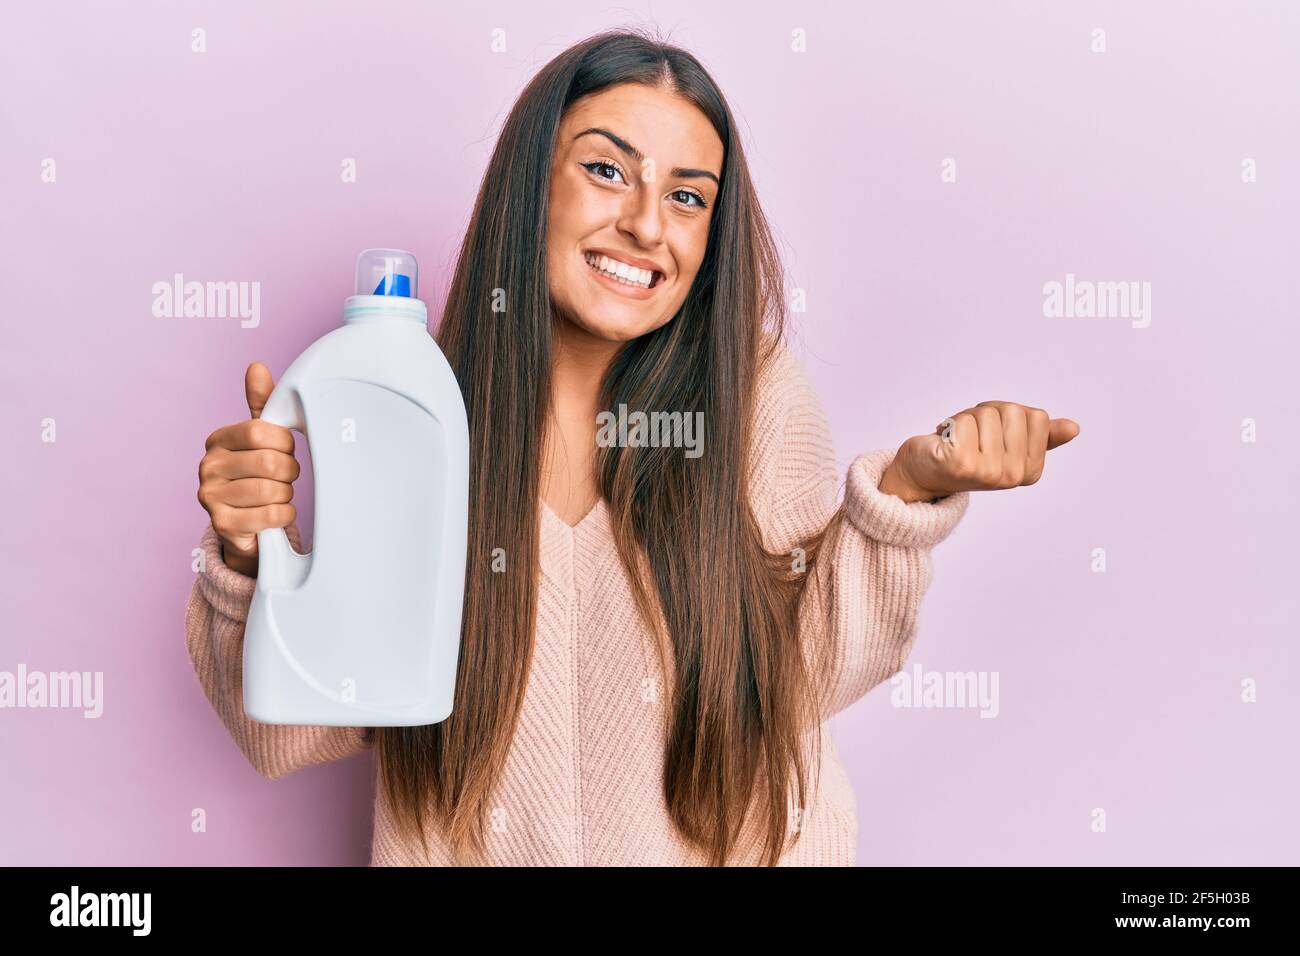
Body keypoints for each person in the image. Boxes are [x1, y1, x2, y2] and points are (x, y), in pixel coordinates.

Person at [188, 29, 1078, 867]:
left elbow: (808, 678)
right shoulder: (418, 410)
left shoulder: (753, 398)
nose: (649, 225)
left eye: (688, 196)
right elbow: (290, 734)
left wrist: (903, 496)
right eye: (609, 170)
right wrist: (247, 554)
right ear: (531, 183)